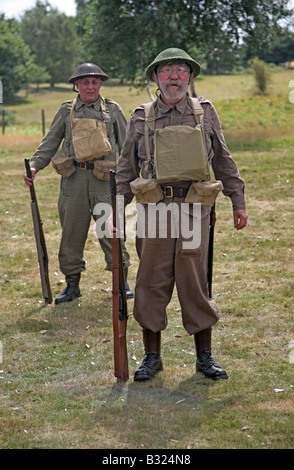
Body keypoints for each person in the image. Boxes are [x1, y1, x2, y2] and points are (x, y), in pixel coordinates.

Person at [115, 48, 248, 381]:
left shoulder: (204, 112)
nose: (173, 76)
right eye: (166, 71)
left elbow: (223, 159)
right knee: (150, 280)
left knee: (194, 281)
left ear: (190, 76)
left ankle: (204, 358)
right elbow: (125, 167)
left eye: (180, 70)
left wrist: (238, 199)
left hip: (193, 210)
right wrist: (117, 206)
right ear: (156, 77)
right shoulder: (140, 117)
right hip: (155, 211)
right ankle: (151, 357)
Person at [24, 63, 133, 304]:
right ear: (77, 85)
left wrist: (132, 175)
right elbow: (50, 142)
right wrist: (34, 166)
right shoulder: (66, 111)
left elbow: (128, 146)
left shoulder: (113, 110)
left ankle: (121, 282)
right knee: (71, 234)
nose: (91, 86)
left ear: (101, 84)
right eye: (85, 82)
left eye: (95, 81)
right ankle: (72, 286)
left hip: (105, 181)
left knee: (111, 231)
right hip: (73, 181)